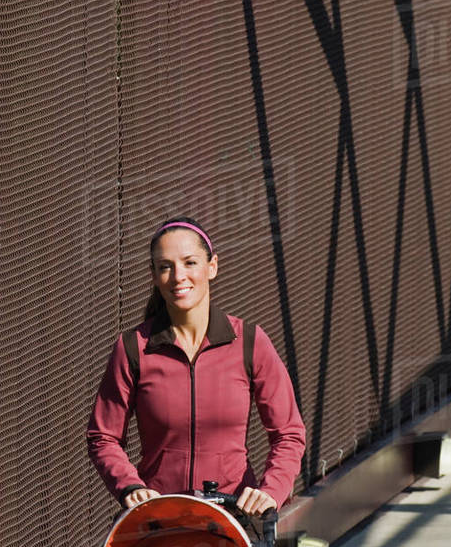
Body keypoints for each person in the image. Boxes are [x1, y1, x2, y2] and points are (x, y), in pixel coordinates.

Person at [86, 216, 306, 514]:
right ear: (153, 275)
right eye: (165, 267)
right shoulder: (133, 348)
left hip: (235, 521)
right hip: (158, 521)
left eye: (190, 262)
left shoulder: (249, 342)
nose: (178, 276)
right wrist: (131, 486)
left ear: (212, 266)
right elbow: (104, 436)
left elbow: (289, 434)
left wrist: (271, 491)